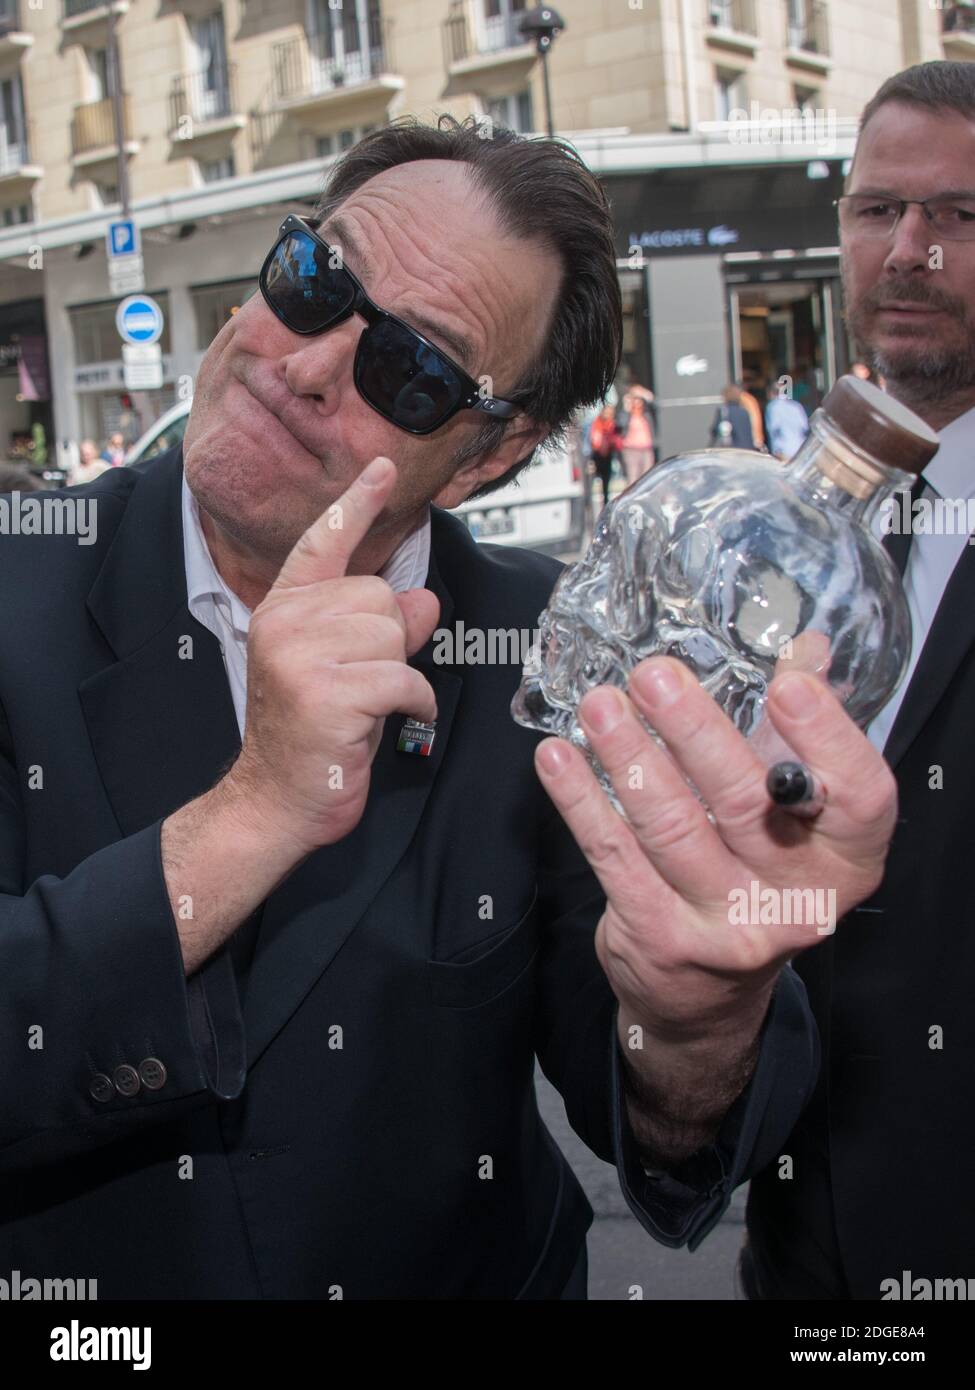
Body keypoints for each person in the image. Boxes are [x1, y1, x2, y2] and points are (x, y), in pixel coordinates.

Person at [0, 116, 895, 1300]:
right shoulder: (21, 583)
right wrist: (254, 809)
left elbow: (663, 1123)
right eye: (314, 281)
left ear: (489, 451)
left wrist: (697, 1013)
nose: (307, 365)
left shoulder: (560, 653)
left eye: (411, 369)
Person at [745, 59, 975, 1301]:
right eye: (880, 209)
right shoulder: (806, 516)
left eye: (961, 216)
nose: (912, 252)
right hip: (805, 1225)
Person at [587, 403, 623, 508]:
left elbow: (616, 441)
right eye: (607, 412)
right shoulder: (597, 423)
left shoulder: (613, 425)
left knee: (606, 481)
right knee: (593, 480)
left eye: (611, 413)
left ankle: (605, 502)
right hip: (597, 455)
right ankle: (590, 503)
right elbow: (595, 441)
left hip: (608, 455)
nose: (609, 415)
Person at [764, 380, 810, 459]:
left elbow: (774, 430)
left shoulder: (772, 407)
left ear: (770, 393)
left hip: (783, 452)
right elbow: (805, 428)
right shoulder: (797, 406)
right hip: (800, 450)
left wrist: (777, 451)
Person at [619, 390, 655, 484]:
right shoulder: (627, 416)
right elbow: (620, 424)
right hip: (631, 450)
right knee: (633, 477)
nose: (637, 405)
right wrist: (626, 408)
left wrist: (642, 393)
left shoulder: (646, 415)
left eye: (639, 403)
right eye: (635, 403)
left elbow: (652, 402)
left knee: (648, 477)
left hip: (646, 449)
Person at [709, 384, 754, 449]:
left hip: (732, 449)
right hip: (747, 449)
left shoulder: (723, 412)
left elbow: (715, 430)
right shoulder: (744, 412)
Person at [738, 379, 766, 449]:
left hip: (753, 437)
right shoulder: (750, 399)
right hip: (757, 437)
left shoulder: (744, 398)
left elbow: (753, 419)